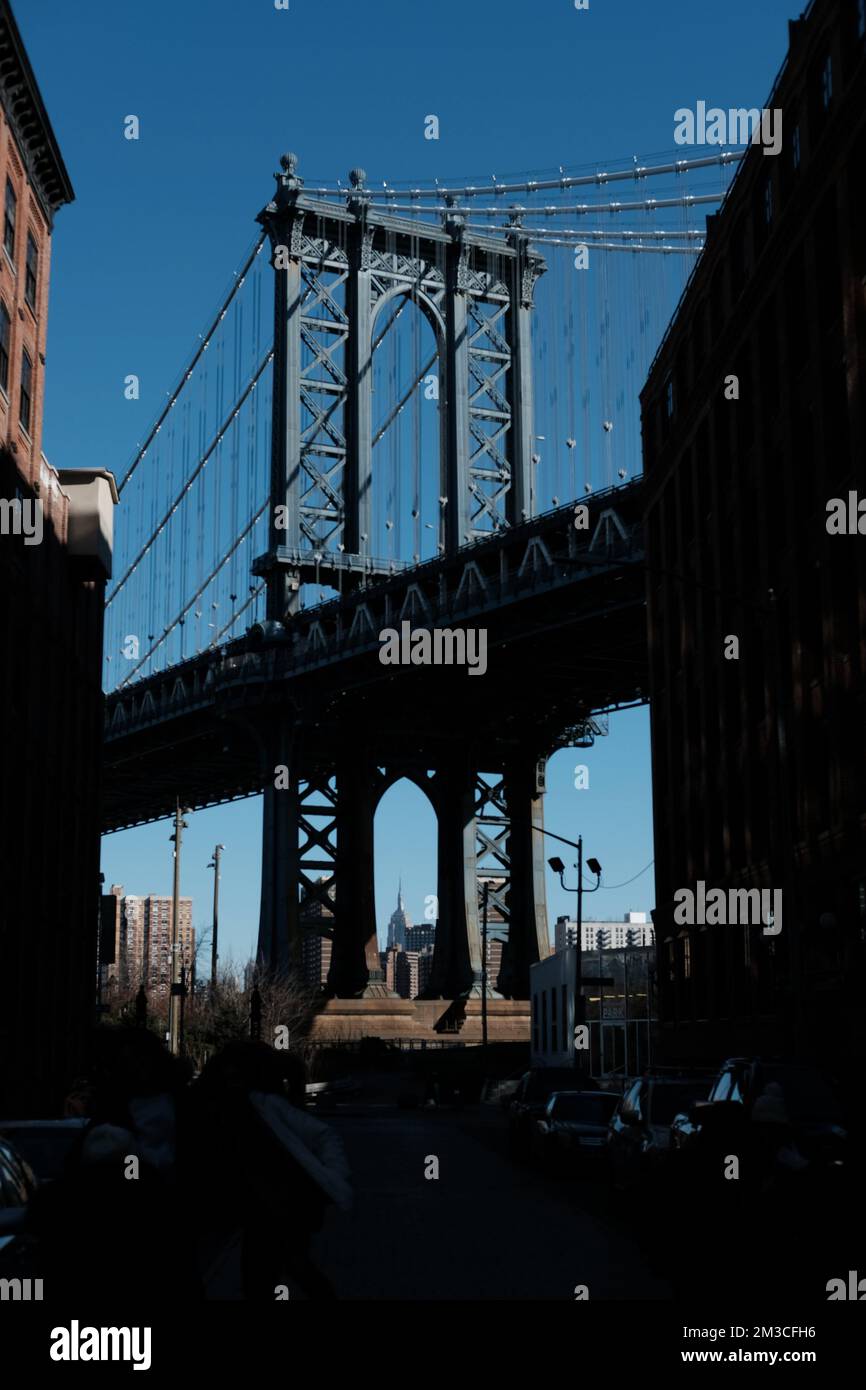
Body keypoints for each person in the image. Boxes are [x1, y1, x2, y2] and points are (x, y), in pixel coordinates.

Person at [186, 1042, 351, 1300]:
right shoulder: (221, 1107)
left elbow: (324, 1136)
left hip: (275, 1208)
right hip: (261, 1208)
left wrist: (331, 1177)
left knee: (280, 1274)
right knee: (284, 1274)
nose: (232, 1083)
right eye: (228, 1078)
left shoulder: (264, 1106)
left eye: (236, 1077)